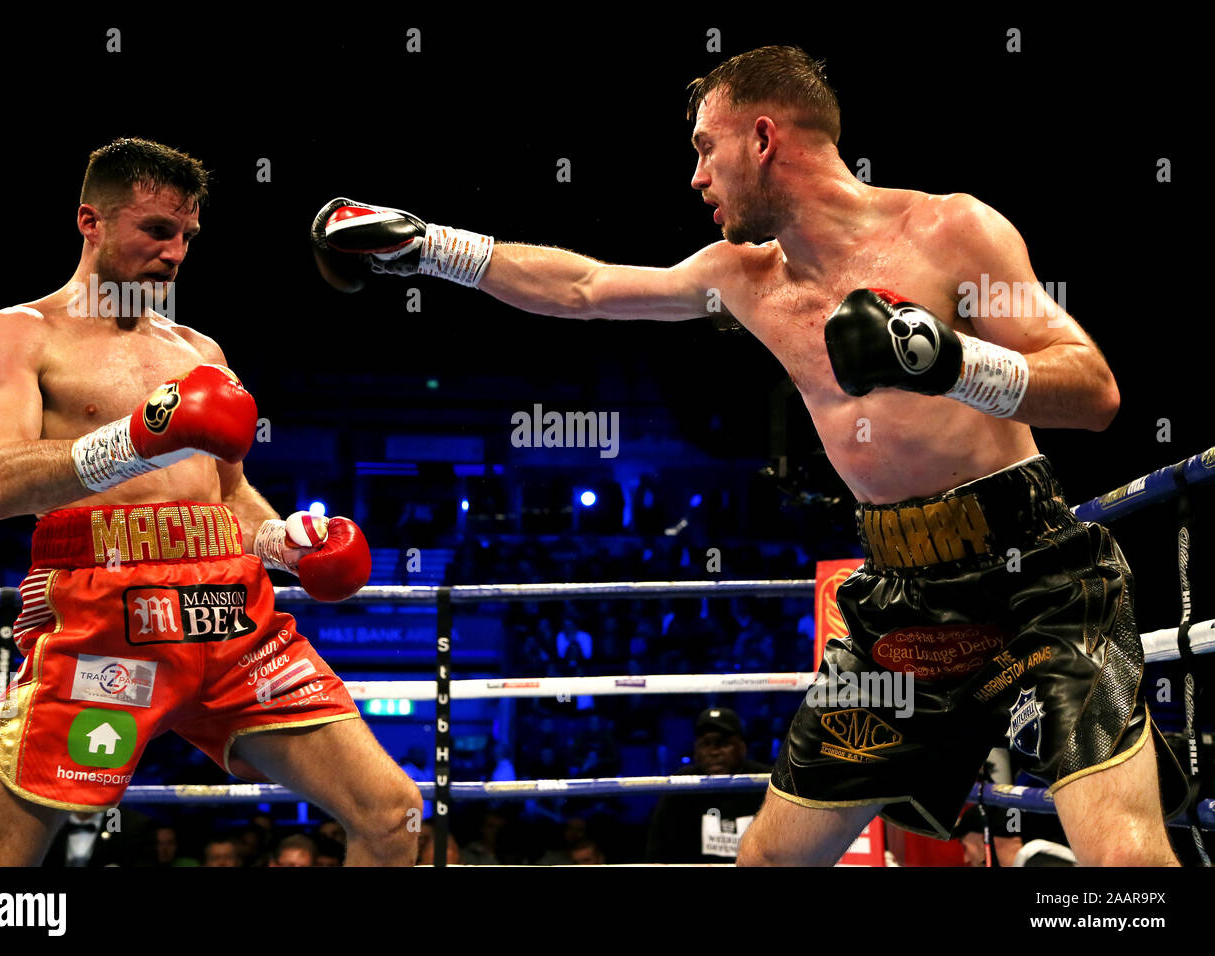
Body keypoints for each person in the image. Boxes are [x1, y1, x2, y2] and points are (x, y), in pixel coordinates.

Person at [312, 46, 1188, 866]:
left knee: (1123, 862)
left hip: (1037, 575)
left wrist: (949, 360)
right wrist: (428, 247)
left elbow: (1094, 389)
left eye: (706, 147)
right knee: (767, 858)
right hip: (902, 604)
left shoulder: (951, 229)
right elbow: (583, 288)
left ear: (764, 137)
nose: (694, 175)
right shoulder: (744, 276)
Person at [0, 137, 421, 867]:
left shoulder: (201, 353)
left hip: (231, 610)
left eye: (187, 237)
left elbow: (230, 493)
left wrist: (287, 544)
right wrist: (138, 438)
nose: (174, 254)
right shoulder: (18, 334)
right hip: (102, 614)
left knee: (392, 819)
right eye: (156, 230)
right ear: (91, 222)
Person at [645, 708, 773, 863]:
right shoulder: (681, 785)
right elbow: (657, 854)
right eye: (706, 744)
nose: (714, 752)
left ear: (742, 747)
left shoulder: (765, 781)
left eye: (723, 743)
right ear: (696, 750)